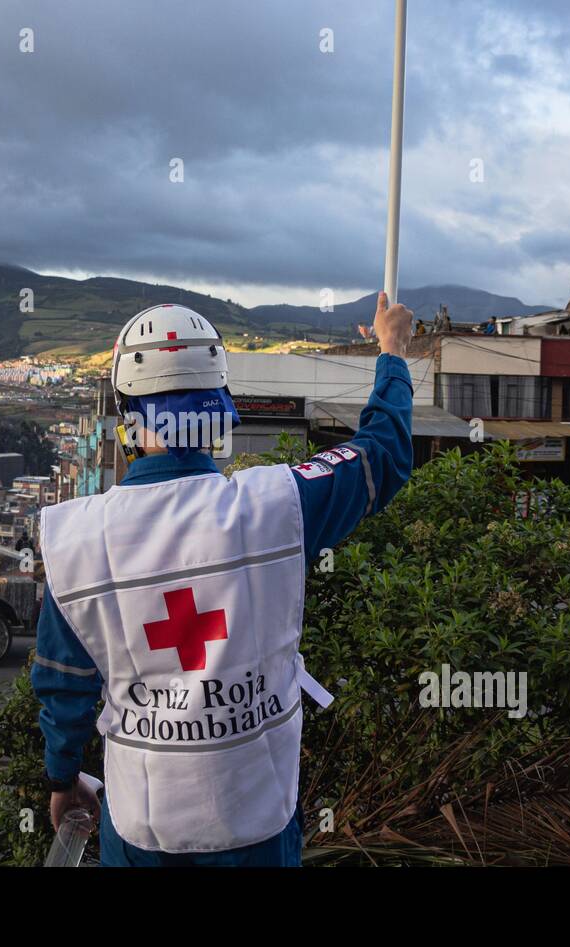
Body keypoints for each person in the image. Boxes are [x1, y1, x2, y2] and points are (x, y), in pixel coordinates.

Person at [32, 294, 414, 866]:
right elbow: (380, 457)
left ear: (126, 412)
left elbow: (65, 685)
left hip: (140, 829)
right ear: (219, 403)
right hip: (257, 822)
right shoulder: (277, 505)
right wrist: (392, 352)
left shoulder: (77, 540)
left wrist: (63, 779)